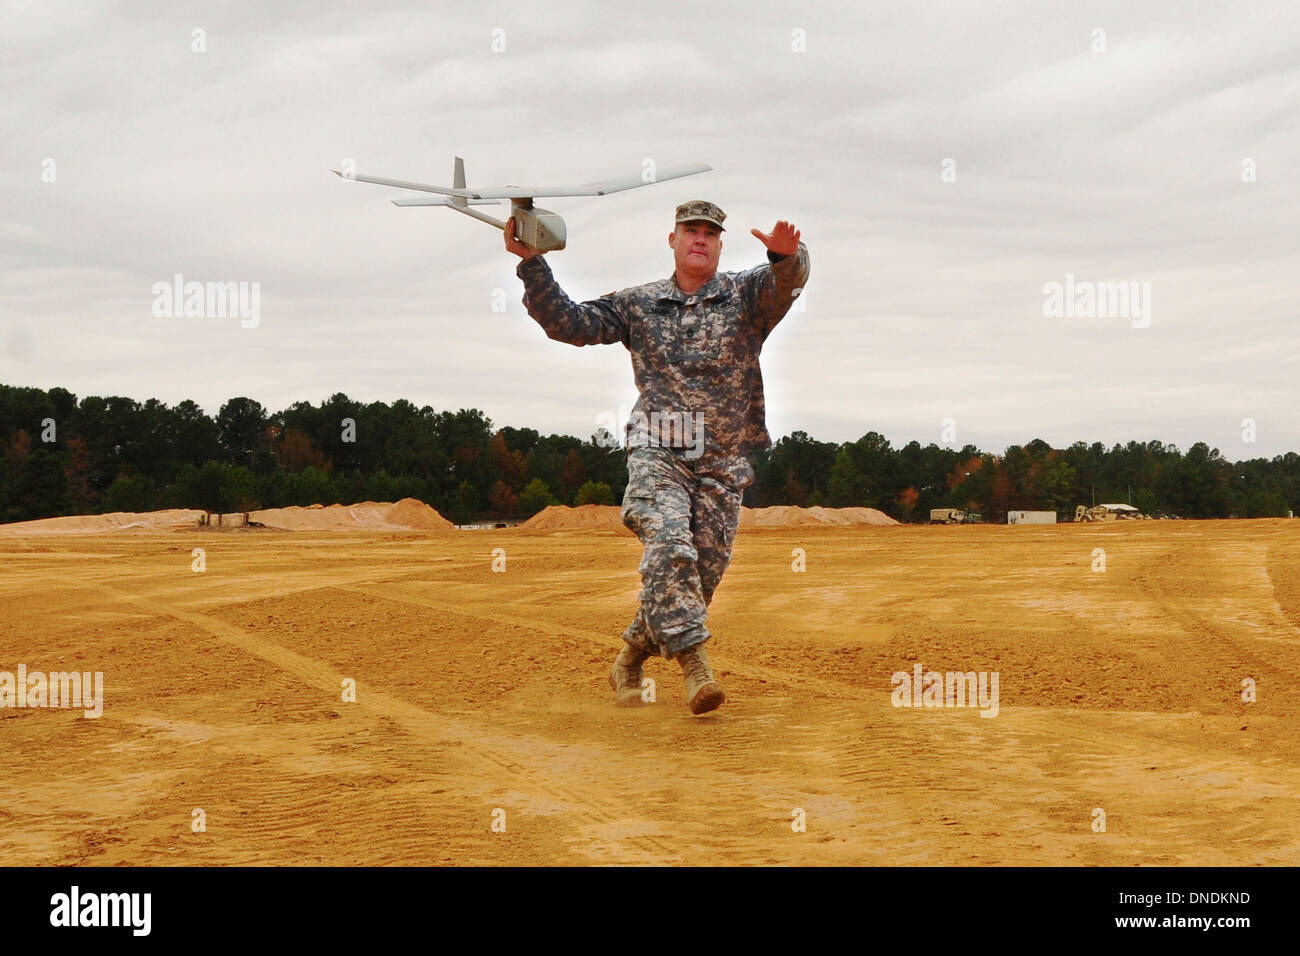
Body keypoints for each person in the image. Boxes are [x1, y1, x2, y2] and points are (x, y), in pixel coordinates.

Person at [506, 200, 810, 714]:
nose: (699, 238)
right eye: (690, 230)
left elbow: (787, 282)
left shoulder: (746, 295)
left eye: (710, 233)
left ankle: (629, 657)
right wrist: (532, 263)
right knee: (670, 545)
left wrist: (788, 255)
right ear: (672, 240)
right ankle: (696, 667)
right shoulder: (638, 303)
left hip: (722, 459)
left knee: (701, 574)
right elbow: (570, 323)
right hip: (659, 447)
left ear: (720, 245)